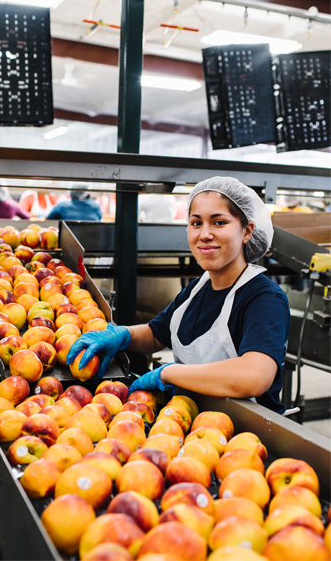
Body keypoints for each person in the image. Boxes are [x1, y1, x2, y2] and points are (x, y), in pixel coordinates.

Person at [68, 177, 290, 413]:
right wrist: (121, 335)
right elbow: (155, 334)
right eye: (196, 223)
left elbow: (254, 377)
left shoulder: (264, 298)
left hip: (248, 435)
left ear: (247, 231)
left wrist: (170, 373)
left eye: (219, 222)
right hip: (191, 423)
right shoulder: (196, 289)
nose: (204, 234)